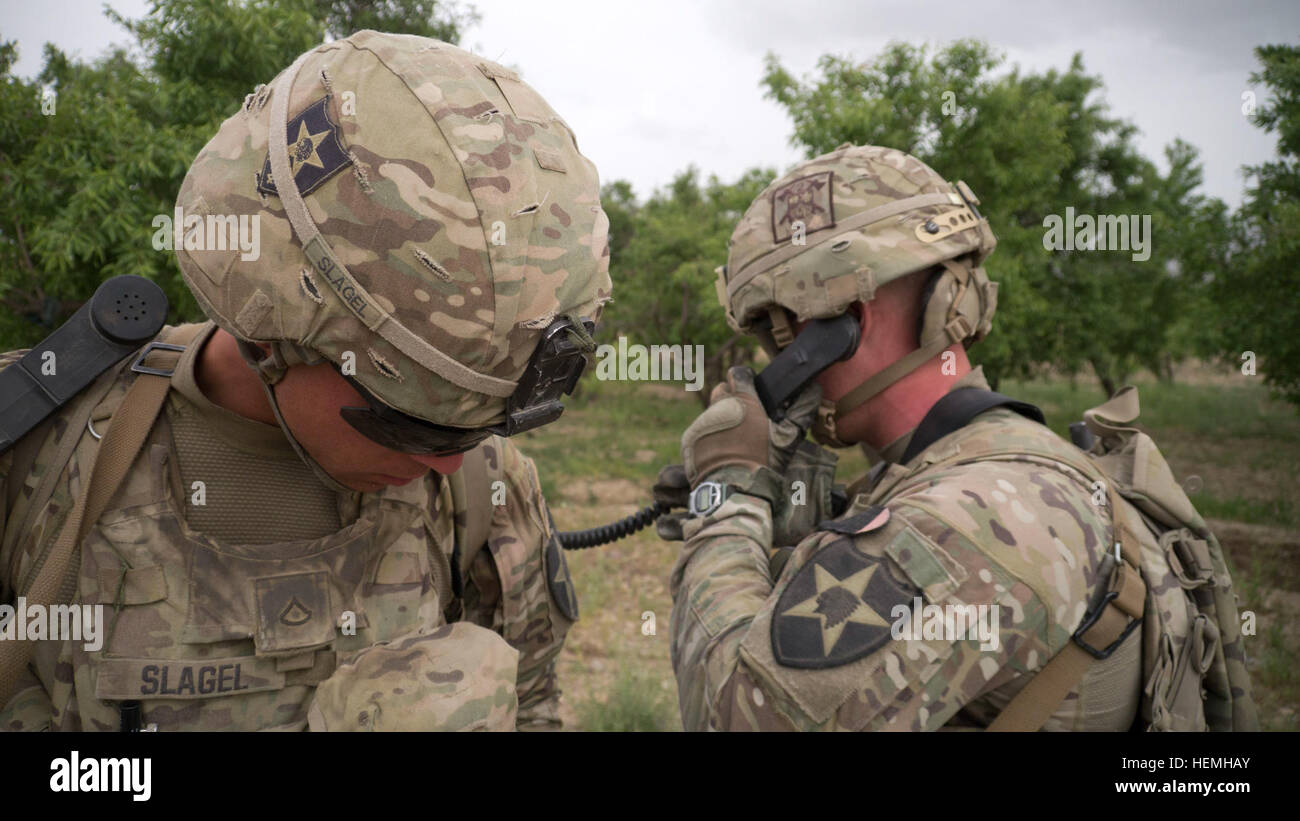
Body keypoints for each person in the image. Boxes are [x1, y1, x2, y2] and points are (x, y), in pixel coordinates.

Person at [0, 30, 609, 731]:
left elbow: (534, 704)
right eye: (412, 422)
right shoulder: (39, 440)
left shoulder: (483, 492)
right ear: (271, 332)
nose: (449, 459)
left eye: (489, 424)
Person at [665, 143, 1256, 731]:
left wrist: (726, 499)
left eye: (778, 336)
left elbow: (736, 715)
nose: (775, 360)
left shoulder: (958, 521)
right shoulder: (1016, 463)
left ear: (843, 325)